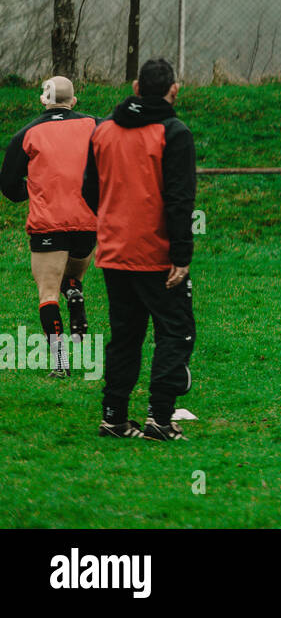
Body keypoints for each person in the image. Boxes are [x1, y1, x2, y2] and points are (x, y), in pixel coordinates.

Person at [82, 58, 196, 440]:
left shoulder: (103, 131)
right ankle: (160, 419)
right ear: (173, 90)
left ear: (135, 87)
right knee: (175, 332)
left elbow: (88, 190)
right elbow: (180, 199)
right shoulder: (173, 132)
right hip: (155, 254)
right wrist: (181, 255)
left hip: (114, 251)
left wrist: (114, 218)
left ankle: (113, 417)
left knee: (125, 336)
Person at [1, 76, 100, 376]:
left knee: (47, 291)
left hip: (48, 224)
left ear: (43, 100)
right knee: (73, 271)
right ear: (74, 101)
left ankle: (60, 362)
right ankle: (76, 294)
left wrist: (27, 192)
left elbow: (7, 183)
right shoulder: (96, 124)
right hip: (87, 221)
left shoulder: (27, 133)